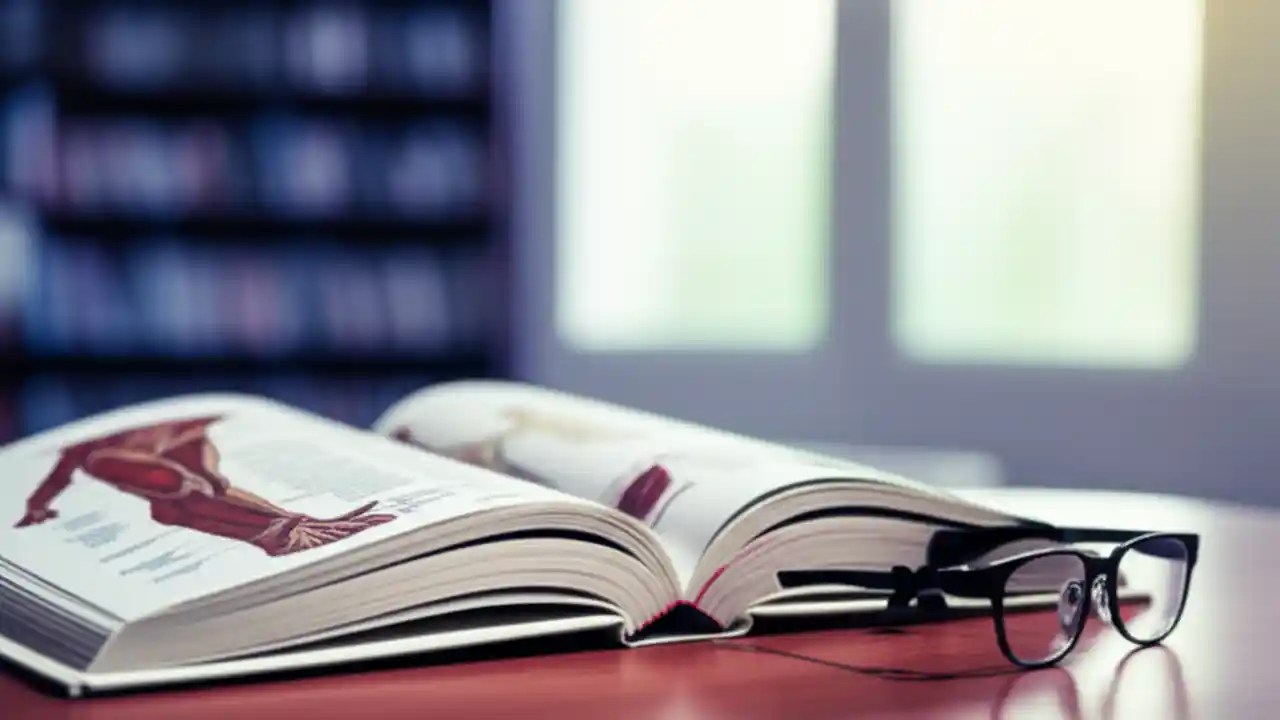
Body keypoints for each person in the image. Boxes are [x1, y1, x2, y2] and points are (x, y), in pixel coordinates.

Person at [15, 415, 394, 556]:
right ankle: (280, 527)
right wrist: (35, 504)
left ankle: (280, 528)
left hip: (176, 454)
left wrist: (286, 516)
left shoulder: (184, 436)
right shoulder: (90, 452)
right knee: (188, 494)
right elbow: (58, 475)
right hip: (145, 461)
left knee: (203, 490)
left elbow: (205, 465)